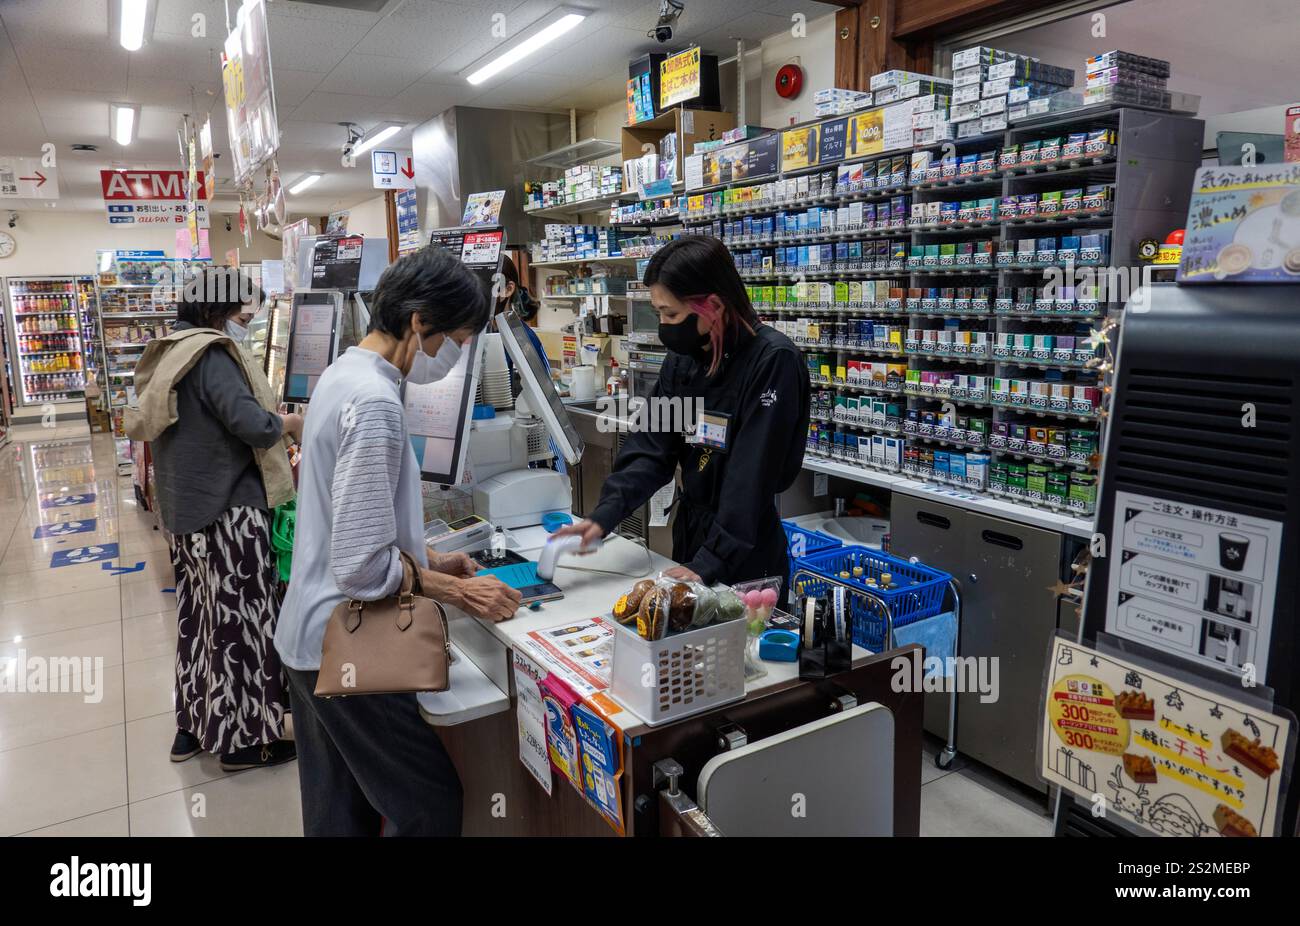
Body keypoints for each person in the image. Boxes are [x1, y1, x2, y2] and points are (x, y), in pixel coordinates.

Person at [275, 246, 522, 837]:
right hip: (348, 644)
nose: (458, 356)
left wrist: (428, 555)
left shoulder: (343, 373)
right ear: (419, 322)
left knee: (339, 815)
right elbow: (361, 569)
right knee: (429, 805)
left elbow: (346, 518)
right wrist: (458, 594)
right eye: (458, 339)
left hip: (306, 637)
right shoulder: (378, 402)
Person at [555, 236, 809, 587]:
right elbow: (651, 447)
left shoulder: (772, 362)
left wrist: (710, 562)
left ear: (714, 306)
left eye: (670, 313)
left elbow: (751, 478)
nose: (664, 325)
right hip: (692, 535)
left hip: (745, 550)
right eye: (659, 312)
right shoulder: (685, 361)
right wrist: (604, 515)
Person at [127, 267, 302, 771]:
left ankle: (194, 727)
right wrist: (288, 423)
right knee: (243, 624)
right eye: (242, 308)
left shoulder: (170, 350)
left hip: (187, 511)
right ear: (217, 309)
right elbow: (249, 423)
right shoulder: (212, 353)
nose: (248, 317)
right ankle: (246, 742)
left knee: (199, 620)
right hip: (229, 512)